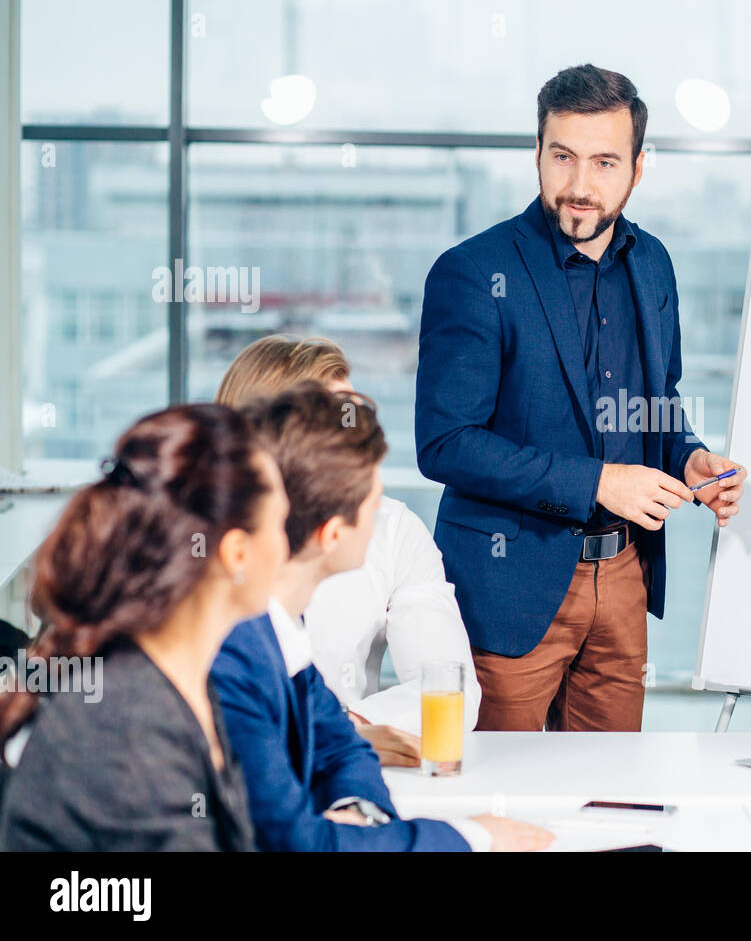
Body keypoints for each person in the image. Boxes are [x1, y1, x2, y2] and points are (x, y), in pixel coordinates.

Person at [416, 63, 747, 732]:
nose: (579, 185)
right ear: (537, 152)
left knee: (609, 804)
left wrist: (690, 460)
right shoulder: (475, 273)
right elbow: (446, 442)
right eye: (562, 157)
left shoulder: (653, 264)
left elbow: (660, 402)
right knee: (499, 799)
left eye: (603, 162)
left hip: (624, 578)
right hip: (509, 589)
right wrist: (600, 481)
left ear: (638, 167)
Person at [212, 382, 550, 851]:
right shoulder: (229, 653)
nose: (385, 515)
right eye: (373, 502)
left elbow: (339, 746)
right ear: (332, 533)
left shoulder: (282, 633)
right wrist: (472, 838)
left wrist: (360, 813)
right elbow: (293, 843)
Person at [0, 404, 290, 850]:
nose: (288, 549)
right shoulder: (128, 725)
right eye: (281, 525)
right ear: (236, 554)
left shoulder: (177, 680)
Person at [216, 333, 480, 766]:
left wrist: (348, 728)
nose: (358, 440)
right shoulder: (206, 547)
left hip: (351, 764)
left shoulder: (389, 527)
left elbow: (451, 686)